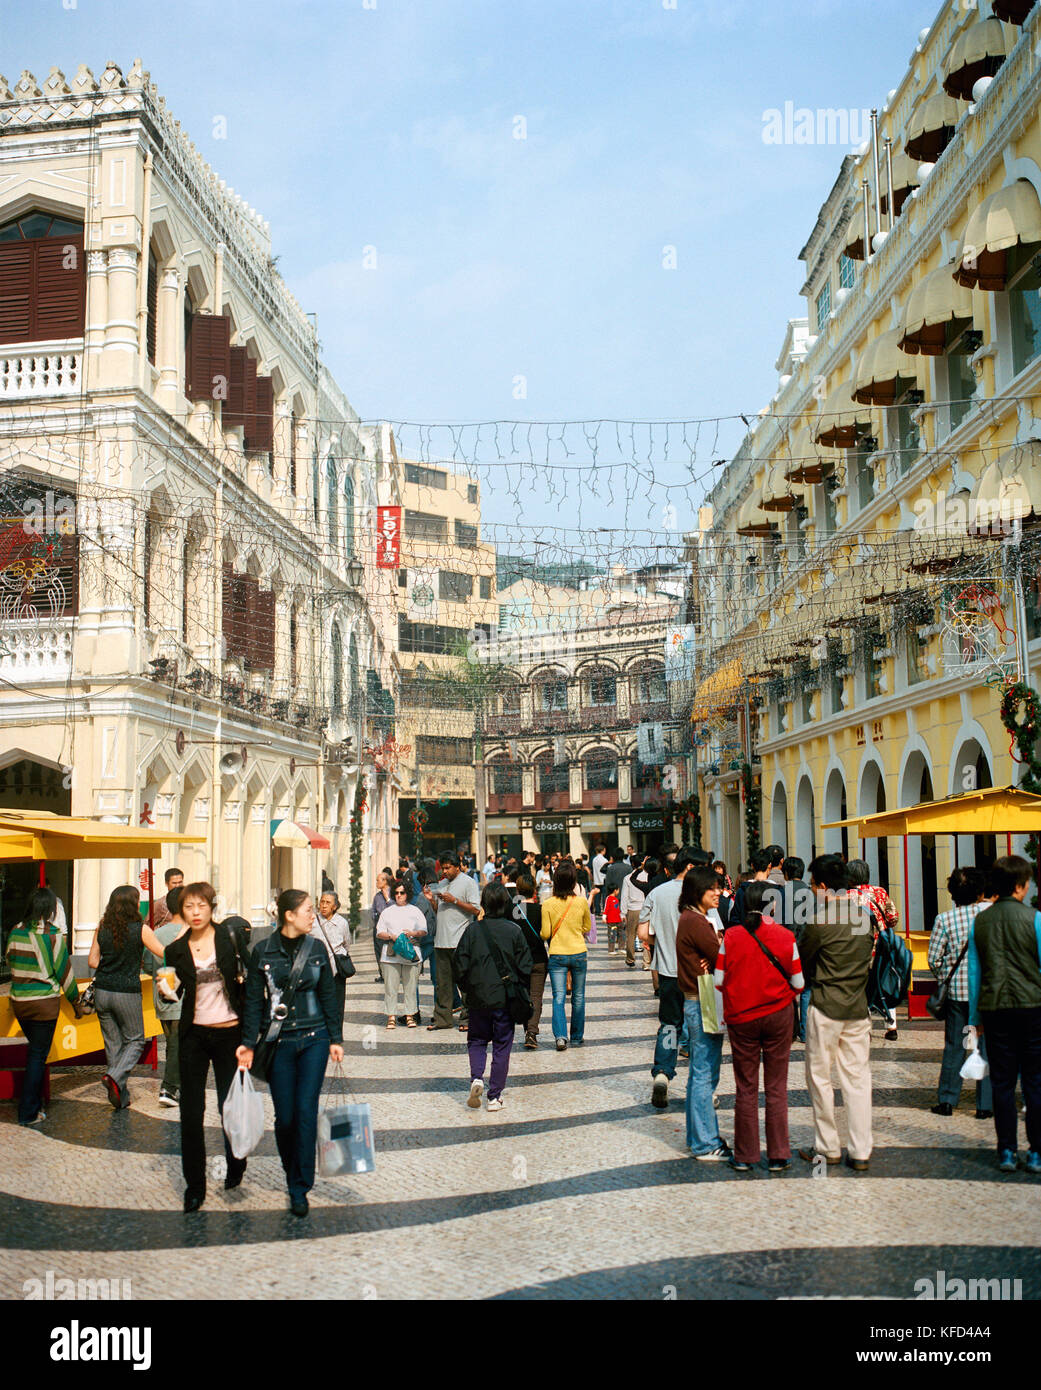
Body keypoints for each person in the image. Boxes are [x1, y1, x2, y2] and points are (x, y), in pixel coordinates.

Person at [238, 889, 344, 1216]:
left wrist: (336, 1038)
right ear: (289, 915)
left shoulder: (316, 949)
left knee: (305, 1110)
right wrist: (247, 1043)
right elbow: (254, 1002)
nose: (313, 915)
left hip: (314, 1038)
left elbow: (329, 994)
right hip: (279, 1042)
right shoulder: (262, 951)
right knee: (285, 1118)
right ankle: (291, 1171)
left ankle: (300, 1186)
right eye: (308, 910)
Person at [164, 882, 251, 1211]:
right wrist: (165, 990)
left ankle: (236, 1160)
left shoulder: (230, 940)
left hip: (230, 1034)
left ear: (211, 907)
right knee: (191, 1112)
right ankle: (195, 1186)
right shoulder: (176, 950)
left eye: (201, 906)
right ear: (182, 911)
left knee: (229, 1107)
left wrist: (250, 1038)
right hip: (194, 1036)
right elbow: (173, 988)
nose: (196, 912)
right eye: (189, 907)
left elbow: (251, 984)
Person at [715, 881, 803, 1172]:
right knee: (777, 1087)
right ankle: (778, 1154)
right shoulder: (786, 936)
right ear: (772, 905)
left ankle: (745, 1155)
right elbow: (799, 983)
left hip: (742, 1017)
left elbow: (718, 979)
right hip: (779, 1016)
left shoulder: (731, 936)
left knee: (746, 1087)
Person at [798, 856, 874, 1172]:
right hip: (857, 1006)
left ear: (824, 887)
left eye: (814, 885)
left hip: (825, 1005)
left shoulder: (819, 921)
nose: (813, 891)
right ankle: (860, 1151)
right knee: (857, 1079)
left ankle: (828, 1146)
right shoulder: (864, 918)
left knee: (820, 1078)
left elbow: (802, 960)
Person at [967, 854, 1041, 1173]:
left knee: (1002, 1082)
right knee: (1036, 1081)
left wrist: (975, 1018)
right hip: (1033, 1008)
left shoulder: (980, 922)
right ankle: (1036, 1152)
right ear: (1021, 886)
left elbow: (974, 973)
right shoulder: (1036, 920)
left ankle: (1007, 1151)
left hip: (994, 1009)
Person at [455, 882, 533, 1111]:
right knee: (501, 1045)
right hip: (505, 999)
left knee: (477, 1040)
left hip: (478, 998)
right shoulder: (514, 931)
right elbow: (526, 966)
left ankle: (477, 1078)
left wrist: (468, 988)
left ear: (483, 904)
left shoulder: (472, 931)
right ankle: (494, 1096)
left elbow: (459, 964)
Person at [8, 887, 83, 1125]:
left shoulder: (16, 930)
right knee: (38, 1057)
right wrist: (76, 1002)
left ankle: (36, 1106)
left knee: (35, 1053)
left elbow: (9, 957)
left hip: (19, 1003)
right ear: (50, 909)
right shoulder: (53, 935)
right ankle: (28, 1112)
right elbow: (65, 973)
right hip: (44, 1004)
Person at [88, 885, 165, 1110]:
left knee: (113, 1043)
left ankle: (119, 1095)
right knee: (135, 1040)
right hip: (127, 992)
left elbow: (93, 961)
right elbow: (162, 952)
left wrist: (111, 962)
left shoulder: (102, 927)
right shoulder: (140, 929)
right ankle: (113, 1076)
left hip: (102, 991)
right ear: (134, 904)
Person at [928, 866, 991, 1119]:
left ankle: (947, 1100)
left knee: (955, 1045)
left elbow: (934, 959)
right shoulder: (989, 916)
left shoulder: (944, 920)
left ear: (953, 893)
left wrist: (946, 977)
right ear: (980, 892)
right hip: (986, 994)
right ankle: (985, 1105)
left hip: (957, 994)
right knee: (986, 1047)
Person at [676, 866, 729, 1160]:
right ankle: (704, 1143)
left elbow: (717, 953)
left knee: (702, 1071)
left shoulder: (695, 918)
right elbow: (723, 955)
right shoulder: (695, 921)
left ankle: (698, 1137)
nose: (719, 892)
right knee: (703, 1072)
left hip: (700, 997)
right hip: (702, 998)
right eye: (713, 888)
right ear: (699, 891)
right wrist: (718, 948)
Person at [639, 848, 697, 1108]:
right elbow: (717, 935)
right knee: (700, 1028)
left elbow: (643, 933)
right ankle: (702, 1086)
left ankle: (663, 1071)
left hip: (667, 971)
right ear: (691, 868)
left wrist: (660, 941)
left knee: (670, 1024)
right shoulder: (700, 894)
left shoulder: (656, 893)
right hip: (698, 974)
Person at [425, 851, 481, 1031]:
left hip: (460, 940)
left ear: (458, 866)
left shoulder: (468, 883)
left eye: (448, 868)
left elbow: (476, 910)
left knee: (464, 981)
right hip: (441, 940)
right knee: (443, 984)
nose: (445, 871)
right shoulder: (441, 884)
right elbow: (438, 911)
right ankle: (443, 1019)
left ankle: (467, 1018)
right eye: (443, 868)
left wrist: (454, 900)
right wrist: (432, 901)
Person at [846, 858, 901, 1040]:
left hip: (858, 949)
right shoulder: (880, 892)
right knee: (885, 984)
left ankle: (865, 1029)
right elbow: (893, 916)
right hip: (882, 948)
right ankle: (891, 1026)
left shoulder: (846, 895)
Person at [541, 860, 592, 1050]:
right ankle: (577, 1036)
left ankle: (561, 1037)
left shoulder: (547, 904)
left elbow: (545, 933)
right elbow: (587, 927)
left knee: (558, 997)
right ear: (573, 882)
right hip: (579, 952)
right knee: (578, 996)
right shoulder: (581, 902)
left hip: (557, 955)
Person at [144, 884, 187, 1106]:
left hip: (162, 994)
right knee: (178, 1043)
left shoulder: (157, 933)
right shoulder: (191, 932)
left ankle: (176, 1087)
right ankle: (168, 1089)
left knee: (172, 1042)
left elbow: (148, 966)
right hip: (183, 996)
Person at [376, 879, 427, 1027]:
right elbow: (379, 932)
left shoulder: (415, 911)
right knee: (390, 988)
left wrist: (413, 932)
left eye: (402, 892)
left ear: (408, 894)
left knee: (410, 987)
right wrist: (391, 936)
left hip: (411, 953)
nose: (399, 895)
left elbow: (424, 930)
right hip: (390, 954)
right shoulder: (387, 912)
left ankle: (410, 1015)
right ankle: (391, 1016)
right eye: (396, 892)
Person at [513, 872, 549, 1048]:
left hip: (519, 961)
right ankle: (532, 1033)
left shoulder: (515, 912)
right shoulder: (541, 910)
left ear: (518, 890)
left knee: (525, 995)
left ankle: (528, 1029)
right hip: (539, 959)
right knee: (536, 996)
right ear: (535, 890)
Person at [314, 891, 352, 1024]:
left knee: (337, 1008)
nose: (323, 906)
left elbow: (347, 944)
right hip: (317, 971)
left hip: (336, 971)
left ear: (335, 906)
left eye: (328, 903)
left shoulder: (342, 923)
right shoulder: (313, 922)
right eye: (322, 902)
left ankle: (335, 1038)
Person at [620, 855, 650, 969]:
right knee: (646, 936)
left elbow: (624, 896)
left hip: (633, 908)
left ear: (632, 864)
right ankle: (646, 962)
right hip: (646, 907)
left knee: (631, 935)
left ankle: (630, 959)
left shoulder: (628, 878)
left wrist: (623, 913)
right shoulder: (648, 876)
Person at [370, 869, 393, 985]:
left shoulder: (394, 893)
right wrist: (375, 917)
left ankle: (391, 974)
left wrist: (388, 899)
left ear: (385, 881)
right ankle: (382, 974)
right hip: (378, 926)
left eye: (378, 880)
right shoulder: (377, 896)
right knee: (378, 951)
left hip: (390, 927)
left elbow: (395, 909)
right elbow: (373, 910)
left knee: (389, 950)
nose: (376, 883)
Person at [589, 843, 608, 919]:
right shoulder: (604, 860)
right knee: (604, 896)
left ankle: (597, 910)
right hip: (603, 879)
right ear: (603, 850)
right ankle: (604, 910)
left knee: (597, 896)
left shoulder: (594, 859)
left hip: (596, 879)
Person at [604, 886, 623, 956]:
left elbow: (617, 909)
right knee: (612, 935)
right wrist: (604, 916)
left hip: (618, 920)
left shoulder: (616, 899)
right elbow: (606, 908)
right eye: (618, 890)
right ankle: (611, 949)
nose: (618, 891)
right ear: (615, 890)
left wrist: (621, 916)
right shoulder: (608, 898)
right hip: (611, 921)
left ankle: (621, 948)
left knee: (621, 934)